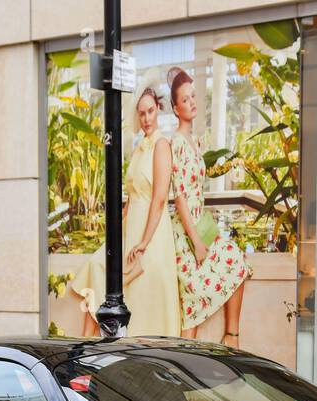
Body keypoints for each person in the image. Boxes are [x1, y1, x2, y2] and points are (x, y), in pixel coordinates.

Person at [70, 86, 182, 338]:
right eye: (141, 113)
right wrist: (114, 234)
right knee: (98, 265)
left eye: (150, 111)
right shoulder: (138, 147)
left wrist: (144, 241)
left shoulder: (162, 145)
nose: (146, 119)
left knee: (143, 298)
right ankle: (90, 345)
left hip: (152, 233)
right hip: (131, 228)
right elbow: (130, 199)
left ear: (158, 109)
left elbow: (160, 198)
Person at [167, 67, 251, 345]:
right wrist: (196, 242)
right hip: (185, 233)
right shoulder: (176, 143)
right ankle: (181, 369)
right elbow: (179, 197)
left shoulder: (195, 142)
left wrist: (206, 235)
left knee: (236, 259)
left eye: (193, 97)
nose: (191, 102)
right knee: (191, 305)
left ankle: (232, 336)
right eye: (184, 99)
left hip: (201, 225)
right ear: (175, 108)